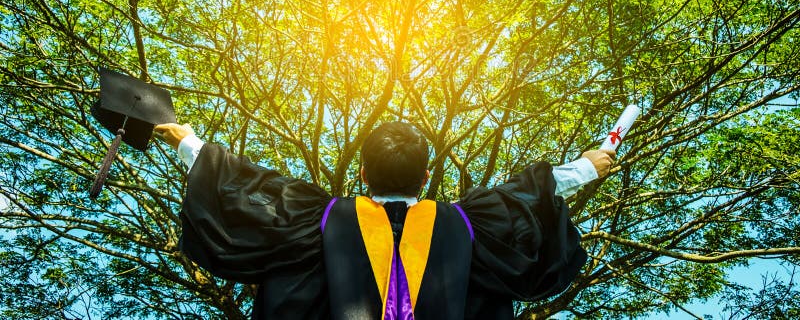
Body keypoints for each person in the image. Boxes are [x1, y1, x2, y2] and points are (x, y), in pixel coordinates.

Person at [154, 121, 614, 319]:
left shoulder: (321, 217)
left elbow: (247, 193)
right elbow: (529, 197)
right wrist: (587, 167)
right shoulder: (469, 224)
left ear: (361, 174)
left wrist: (188, 143)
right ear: (427, 176)